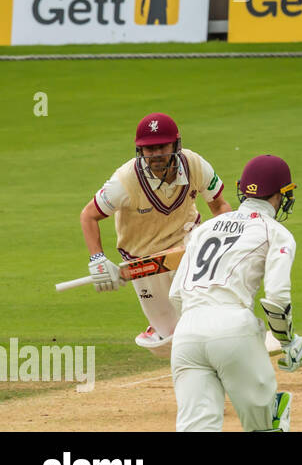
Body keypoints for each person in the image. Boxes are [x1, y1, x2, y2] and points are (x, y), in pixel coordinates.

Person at [169, 154, 302, 432]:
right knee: (266, 424)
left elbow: (176, 294)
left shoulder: (204, 229)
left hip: (186, 334)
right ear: (282, 195)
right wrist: (288, 341)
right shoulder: (276, 232)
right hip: (233, 329)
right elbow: (277, 296)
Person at [81, 113, 233, 355]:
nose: (156, 155)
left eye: (161, 146)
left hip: (187, 244)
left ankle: (232, 337)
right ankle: (162, 330)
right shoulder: (125, 180)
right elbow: (89, 215)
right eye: (148, 149)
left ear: (176, 144)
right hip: (145, 260)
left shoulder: (194, 164)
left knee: (203, 312)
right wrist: (97, 259)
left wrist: (228, 241)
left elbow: (220, 206)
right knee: (170, 338)